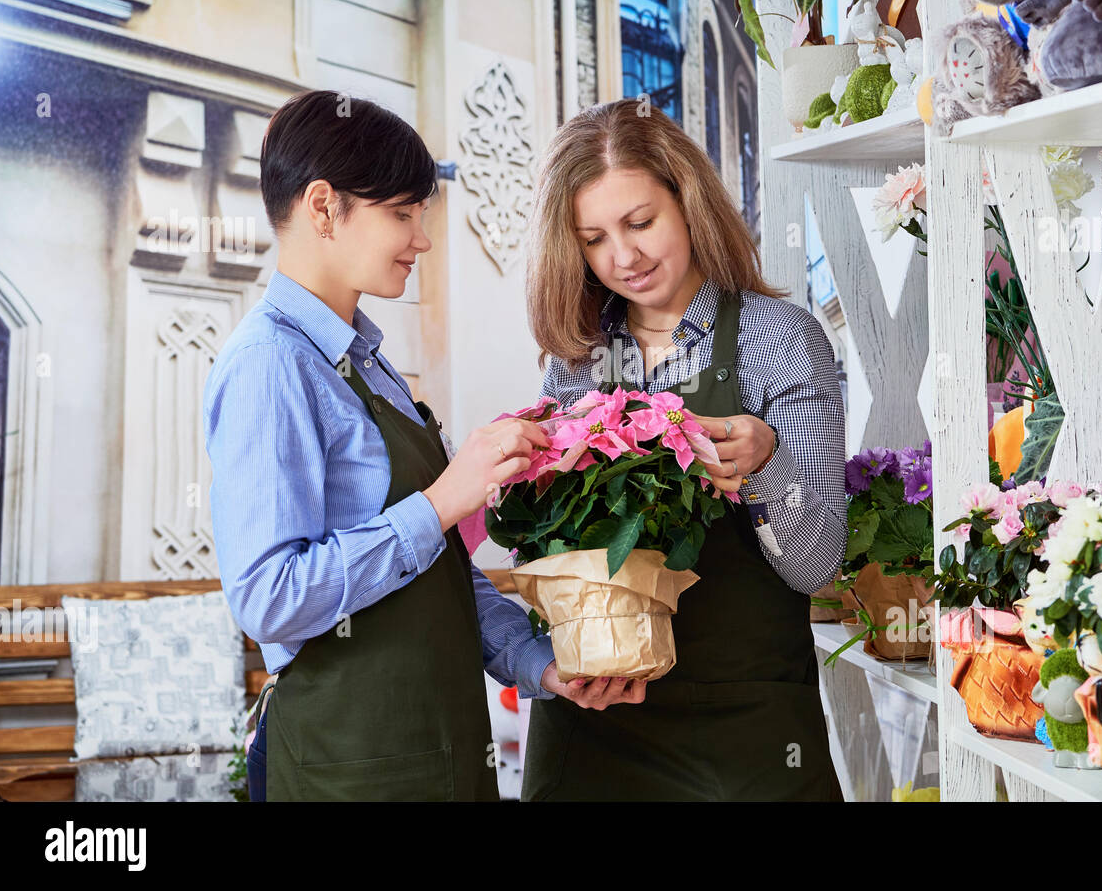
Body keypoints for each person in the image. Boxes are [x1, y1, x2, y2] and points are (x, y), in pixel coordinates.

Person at [204, 90, 640, 802]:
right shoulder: (269, 365)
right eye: (402, 213)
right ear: (323, 207)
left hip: (436, 758)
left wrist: (539, 664)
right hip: (347, 769)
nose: (422, 238)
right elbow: (269, 599)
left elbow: (436, 568)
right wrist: (441, 499)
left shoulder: (368, 362)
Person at [521, 98, 848, 801]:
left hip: (747, 723)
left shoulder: (782, 340)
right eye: (594, 238)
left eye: (641, 223)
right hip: (599, 713)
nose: (625, 257)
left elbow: (819, 568)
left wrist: (766, 467)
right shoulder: (576, 360)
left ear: (688, 203)